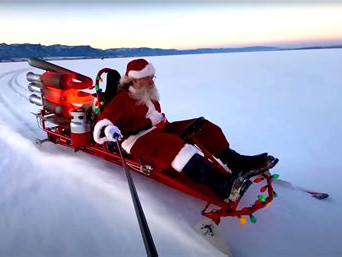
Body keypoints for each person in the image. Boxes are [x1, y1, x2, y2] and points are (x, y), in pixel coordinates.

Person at [93, 58, 278, 201]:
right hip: (137, 140)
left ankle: (236, 162)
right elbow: (103, 121)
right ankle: (221, 185)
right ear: (135, 81)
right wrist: (109, 129)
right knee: (172, 145)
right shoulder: (122, 99)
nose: (152, 81)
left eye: (152, 77)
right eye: (148, 78)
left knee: (202, 126)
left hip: (161, 129)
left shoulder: (149, 95)